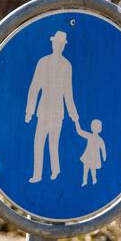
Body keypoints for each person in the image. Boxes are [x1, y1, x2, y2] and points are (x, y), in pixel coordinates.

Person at [24, 30, 79, 182]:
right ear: (53, 43)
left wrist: (73, 114)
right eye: (56, 43)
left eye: (61, 44)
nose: (58, 46)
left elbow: (68, 92)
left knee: (53, 144)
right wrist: (29, 111)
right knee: (38, 143)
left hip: (57, 112)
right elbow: (34, 87)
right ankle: (37, 175)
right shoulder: (43, 62)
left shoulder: (67, 65)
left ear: (63, 46)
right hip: (43, 110)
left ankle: (56, 172)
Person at [75, 119, 106, 186]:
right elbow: (80, 132)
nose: (95, 128)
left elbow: (103, 148)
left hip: (94, 157)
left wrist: (104, 156)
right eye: (94, 126)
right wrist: (77, 123)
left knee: (92, 169)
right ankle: (85, 181)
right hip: (88, 155)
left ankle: (94, 179)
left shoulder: (100, 139)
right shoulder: (90, 136)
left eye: (96, 127)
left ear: (99, 129)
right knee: (85, 168)